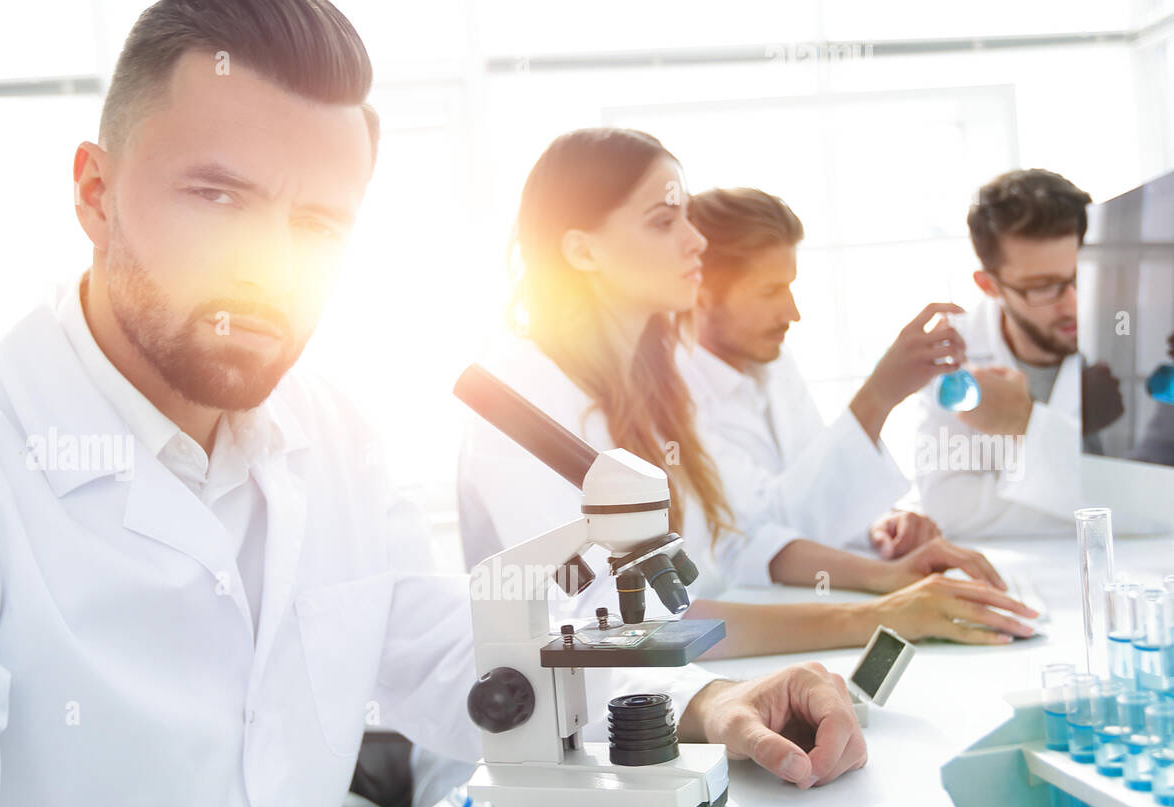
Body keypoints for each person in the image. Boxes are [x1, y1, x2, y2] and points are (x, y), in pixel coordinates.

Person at [0, 0, 869, 807]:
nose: (268, 260)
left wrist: (690, 705)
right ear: (95, 191)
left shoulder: (325, 424)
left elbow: (450, 657)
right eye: (216, 196)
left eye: (318, 221)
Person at [459, 129, 1039, 657]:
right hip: (571, 736)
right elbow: (611, 627)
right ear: (582, 251)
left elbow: (737, 541)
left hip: (674, 691)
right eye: (664, 223)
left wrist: (891, 580)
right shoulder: (520, 397)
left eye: (688, 217)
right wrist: (876, 617)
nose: (695, 243)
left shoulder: (653, 388)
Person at [682, 186, 958, 570]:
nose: (792, 313)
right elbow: (764, 536)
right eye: (770, 291)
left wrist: (879, 524)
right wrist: (878, 396)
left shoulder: (772, 360)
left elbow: (814, 481)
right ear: (700, 295)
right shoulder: (674, 393)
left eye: (790, 286)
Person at [914, 169, 1098, 535]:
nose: (1074, 304)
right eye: (1043, 287)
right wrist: (1091, 496)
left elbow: (1158, 496)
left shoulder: (1135, 333)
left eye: (1082, 276)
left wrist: (1025, 423)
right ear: (990, 285)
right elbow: (947, 507)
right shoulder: (952, 352)